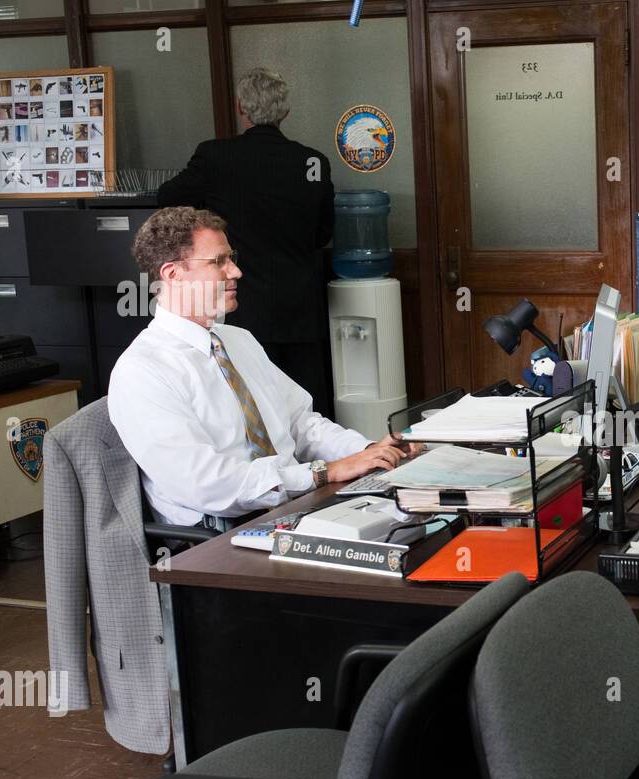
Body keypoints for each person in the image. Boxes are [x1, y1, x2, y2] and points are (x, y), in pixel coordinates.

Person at [108, 206, 412, 529]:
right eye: (218, 262)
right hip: (219, 536)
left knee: (413, 523)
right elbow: (207, 484)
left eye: (231, 258)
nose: (236, 272)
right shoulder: (141, 371)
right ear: (172, 274)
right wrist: (324, 472)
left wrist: (369, 451)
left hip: (292, 503)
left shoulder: (237, 341)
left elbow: (301, 423)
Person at [157, 67, 335, 417]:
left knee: (251, 406)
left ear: (241, 108)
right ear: (285, 111)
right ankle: (325, 469)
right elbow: (322, 235)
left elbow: (167, 196)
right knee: (308, 406)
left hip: (242, 307)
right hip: (301, 305)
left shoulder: (215, 157)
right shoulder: (313, 162)